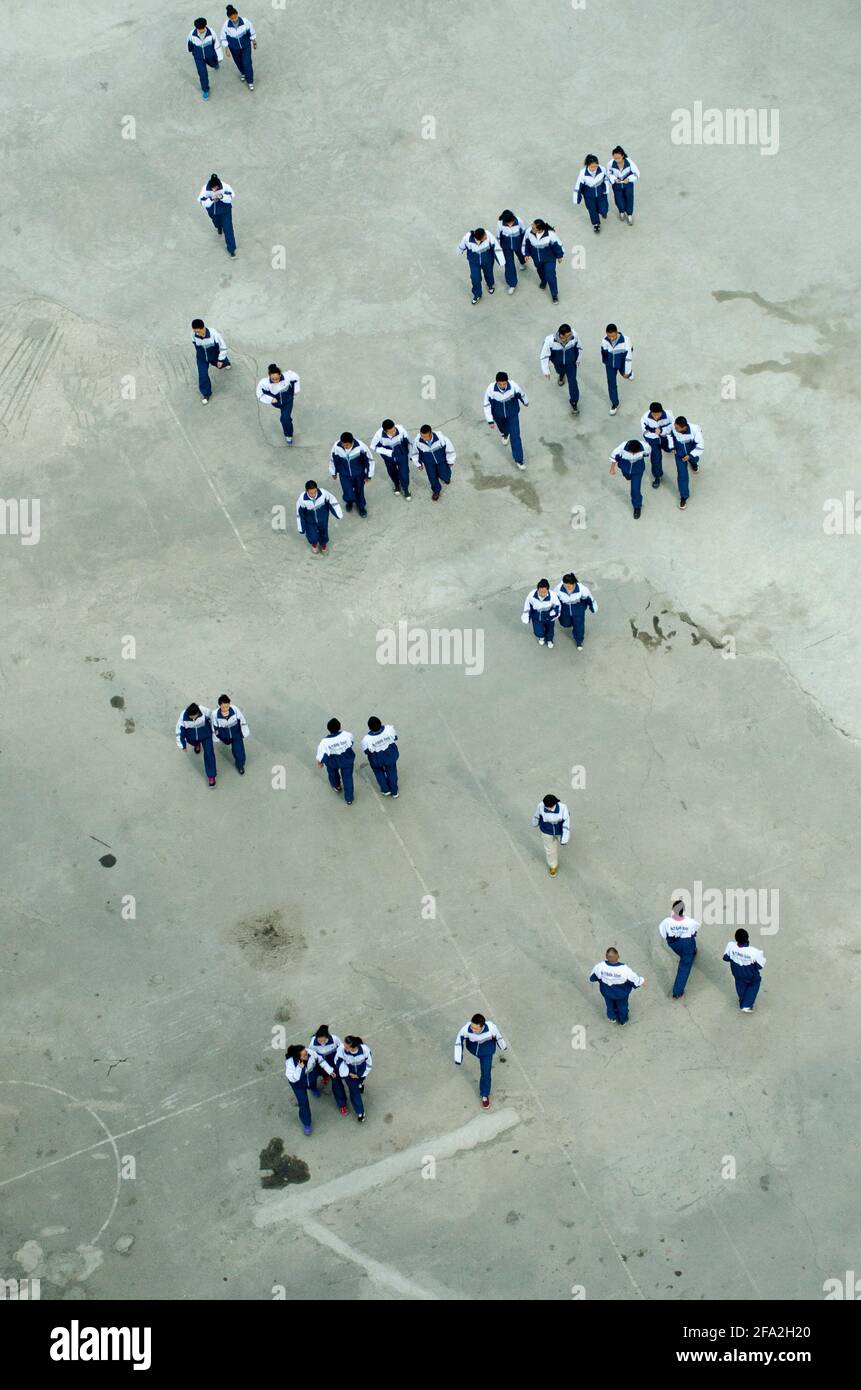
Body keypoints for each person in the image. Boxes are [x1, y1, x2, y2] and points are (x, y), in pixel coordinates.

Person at [454, 1014, 507, 1108]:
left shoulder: (491, 1028)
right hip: (473, 1049)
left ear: (482, 1026)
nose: (472, 1029)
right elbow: (458, 1042)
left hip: (487, 1052)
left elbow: (498, 1036)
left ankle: (484, 1095)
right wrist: (458, 1058)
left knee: (486, 1073)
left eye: (475, 1028)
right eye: (472, 1026)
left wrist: (503, 1046)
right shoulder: (466, 1029)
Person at [284, 1044, 334, 1136]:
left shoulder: (310, 1053)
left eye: (306, 1052)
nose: (307, 1054)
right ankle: (306, 1123)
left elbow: (320, 1059)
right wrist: (300, 1068)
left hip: (311, 1078)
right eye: (304, 1055)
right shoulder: (290, 1063)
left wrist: (330, 1070)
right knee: (304, 1104)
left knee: (312, 1084)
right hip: (298, 1085)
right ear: (298, 1057)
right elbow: (294, 1078)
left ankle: (313, 1088)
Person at [484, 372, 529, 470]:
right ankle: (504, 433)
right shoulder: (491, 390)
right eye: (500, 384)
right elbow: (486, 405)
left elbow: (521, 394)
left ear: (507, 382)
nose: (503, 386)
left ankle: (519, 460)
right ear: (497, 382)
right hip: (498, 415)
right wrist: (490, 420)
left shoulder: (513, 386)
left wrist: (526, 401)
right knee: (503, 428)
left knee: (515, 436)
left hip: (512, 414)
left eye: (504, 383)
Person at [589, 948, 645, 1024]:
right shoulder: (625, 970)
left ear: (606, 956)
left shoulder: (599, 967)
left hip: (607, 993)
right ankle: (623, 1021)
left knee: (610, 1006)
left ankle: (612, 1018)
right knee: (622, 1007)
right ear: (618, 956)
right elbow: (635, 981)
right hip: (621, 995)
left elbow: (592, 978)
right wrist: (642, 981)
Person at [658, 900, 700, 998]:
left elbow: (663, 934)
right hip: (687, 944)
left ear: (673, 909)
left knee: (683, 954)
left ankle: (690, 954)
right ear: (683, 910)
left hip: (674, 943)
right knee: (685, 965)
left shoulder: (666, 922)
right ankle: (677, 991)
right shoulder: (690, 921)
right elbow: (695, 931)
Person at [540, 323, 582, 414]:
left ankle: (574, 402)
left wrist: (578, 359)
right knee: (560, 371)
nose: (571, 336)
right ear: (561, 335)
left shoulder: (574, 336)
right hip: (558, 363)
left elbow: (579, 347)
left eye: (570, 334)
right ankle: (562, 374)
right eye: (568, 335)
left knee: (573, 382)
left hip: (571, 364)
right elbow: (544, 356)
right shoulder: (550, 341)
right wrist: (546, 370)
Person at [328, 433, 374, 516]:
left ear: (352, 442)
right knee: (347, 491)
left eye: (347, 445)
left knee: (359, 491)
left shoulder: (360, 446)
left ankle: (361, 507)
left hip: (359, 474)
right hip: (344, 474)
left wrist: (369, 475)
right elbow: (332, 460)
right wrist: (333, 472)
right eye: (343, 444)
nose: (344, 446)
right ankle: (349, 501)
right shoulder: (336, 447)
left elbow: (370, 460)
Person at [456, 227, 504, 304]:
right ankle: (477, 294)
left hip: (487, 259)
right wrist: (459, 252)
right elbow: (462, 246)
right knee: (475, 278)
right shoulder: (467, 239)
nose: (486, 236)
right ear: (479, 239)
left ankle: (490, 285)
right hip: (474, 262)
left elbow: (496, 247)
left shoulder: (488, 235)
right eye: (484, 236)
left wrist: (501, 261)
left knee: (489, 274)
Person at [307, 1027, 349, 1113]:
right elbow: (311, 1056)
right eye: (319, 1040)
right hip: (320, 1064)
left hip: (333, 1065)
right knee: (316, 1075)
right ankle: (324, 1078)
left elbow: (341, 1049)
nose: (322, 1043)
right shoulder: (312, 1044)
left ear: (327, 1036)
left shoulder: (334, 1039)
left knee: (337, 1084)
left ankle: (342, 1105)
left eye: (324, 1040)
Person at [723, 929, 766, 1012]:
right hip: (749, 973)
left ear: (736, 939)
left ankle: (742, 999)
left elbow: (726, 957)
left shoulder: (731, 945)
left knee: (740, 984)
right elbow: (760, 966)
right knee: (754, 984)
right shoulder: (754, 952)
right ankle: (747, 1005)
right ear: (747, 938)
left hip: (736, 971)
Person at [175, 702, 217, 786]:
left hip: (206, 735)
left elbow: (213, 718)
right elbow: (179, 731)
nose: (193, 718)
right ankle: (196, 744)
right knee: (193, 741)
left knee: (209, 754)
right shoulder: (183, 716)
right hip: (192, 737)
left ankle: (211, 776)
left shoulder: (204, 711)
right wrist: (183, 745)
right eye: (191, 716)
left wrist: (214, 730)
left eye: (195, 716)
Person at [256, 364, 300, 444]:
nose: (275, 381)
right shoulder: (264, 383)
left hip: (288, 401)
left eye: (277, 378)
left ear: (280, 374)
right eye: (273, 379)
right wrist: (270, 399)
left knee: (285, 419)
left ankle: (288, 435)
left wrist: (295, 390)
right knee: (285, 417)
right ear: (269, 376)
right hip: (276, 402)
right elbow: (259, 392)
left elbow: (296, 378)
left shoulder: (288, 376)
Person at [522, 219, 564, 302]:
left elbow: (558, 245)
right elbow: (525, 243)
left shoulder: (550, 235)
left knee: (550, 276)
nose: (531, 229)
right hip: (537, 259)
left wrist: (560, 256)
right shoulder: (529, 232)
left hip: (549, 259)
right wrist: (526, 254)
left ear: (540, 230)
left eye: (534, 228)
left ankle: (554, 294)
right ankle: (543, 281)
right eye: (532, 226)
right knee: (540, 272)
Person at [316, 718, 356, 804]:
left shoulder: (324, 742)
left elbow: (322, 755)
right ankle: (349, 799)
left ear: (328, 729)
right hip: (346, 759)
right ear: (339, 726)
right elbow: (351, 742)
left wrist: (320, 762)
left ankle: (337, 786)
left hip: (332, 761)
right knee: (347, 778)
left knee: (333, 774)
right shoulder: (347, 735)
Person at [370, 419, 412, 500]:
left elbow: (409, 442)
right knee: (392, 472)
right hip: (389, 458)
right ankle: (397, 485)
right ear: (385, 431)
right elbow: (373, 446)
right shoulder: (379, 435)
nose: (394, 432)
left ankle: (406, 490)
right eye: (391, 432)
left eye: (394, 429)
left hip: (402, 456)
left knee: (404, 473)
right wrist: (388, 452)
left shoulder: (401, 430)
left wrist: (410, 454)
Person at [296, 480, 342, 554]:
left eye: (315, 492)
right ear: (306, 491)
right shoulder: (302, 499)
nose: (313, 494)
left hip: (323, 519)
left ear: (317, 489)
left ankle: (323, 544)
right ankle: (314, 544)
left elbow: (332, 500)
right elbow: (299, 513)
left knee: (324, 533)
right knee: (312, 536)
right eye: (311, 493)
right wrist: (301, 527)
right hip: (310, 521)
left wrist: (338, 513)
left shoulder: (323, 493)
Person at [190, 319, 230, 403]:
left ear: (203, 328)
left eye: (198, 331)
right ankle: (206, 394)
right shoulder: (193, 334)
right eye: (195, 331)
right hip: (202, 358)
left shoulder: (213, 334)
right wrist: (201, 355)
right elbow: (195, 344)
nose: (197, 334)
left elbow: (223, 347)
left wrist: (220, 360)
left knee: (222, 364)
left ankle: (226, 362)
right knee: (202, 375)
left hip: (214, 356)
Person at [334, 1036, 373, 1122]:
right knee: (354, 1093)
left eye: (347, 1047)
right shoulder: (341, 1049)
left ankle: (360, 1084)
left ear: (354, 1047)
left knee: (360, 1082)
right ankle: (360, 1113)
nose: (344, 1047)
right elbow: (337, 1060)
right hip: (350, 1076)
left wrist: (359, 1075)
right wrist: (347, 1073)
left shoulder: (365, 1050)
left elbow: (369, 1065)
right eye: (344, 1044)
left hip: (361, 1074)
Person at [411, 425, 456, 500]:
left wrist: (450, 461)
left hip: (442, 461)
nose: (423, 438)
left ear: (431, 434)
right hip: (429, 463)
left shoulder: (441, 439)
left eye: (425, 437)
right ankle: (436, 490)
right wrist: (418, 464)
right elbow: (415, 453)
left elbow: (450, 449)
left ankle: (446, 478)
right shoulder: (417, 441)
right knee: (432, 477)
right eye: (422, 436)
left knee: (445, 474)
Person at [554, 573, 597, 650]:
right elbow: (553, 599)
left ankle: (579, 641)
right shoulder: (558, 589)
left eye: (570, 586)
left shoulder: (582, 589)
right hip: (565, 610)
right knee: (565, 624)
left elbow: (589, 598)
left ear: (574, 583)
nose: (568, 588)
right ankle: (571, 624)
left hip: (578, 610)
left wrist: (592, 607)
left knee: (579, 627)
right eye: (565, 585)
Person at [670, 416, 704, 511]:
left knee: (694, 459)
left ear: (684, 427)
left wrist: (690, 455)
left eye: (677, 428)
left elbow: (700, 446)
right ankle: (684, 496)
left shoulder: (695, 430)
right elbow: (669, 435)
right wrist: (672, 447)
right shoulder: (673, 427)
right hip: (679, 454)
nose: (675, 428)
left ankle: (694, 463)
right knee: (682, 474)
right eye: (675, 426)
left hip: (691, 450)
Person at [198, 175, 236, 257]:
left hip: (225, 211)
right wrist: (211, 199)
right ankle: (219, 227)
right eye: (212, 188)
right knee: (216, 223)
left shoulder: (225, 186)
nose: (214, 190)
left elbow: (231, 196)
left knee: (228, 228)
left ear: (219, 185)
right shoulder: (205, 189)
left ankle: (231, 249)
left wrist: (222, 197)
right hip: (213, 212)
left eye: (216, 187)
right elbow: (202, 202)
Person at [531, 794, 570, 876]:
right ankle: (553, 866)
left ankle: (561, 839)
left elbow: (566, 823)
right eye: (546, 806)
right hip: (546, 831)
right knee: (550, 850)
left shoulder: (563, 808)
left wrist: (564, 838)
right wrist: (534, 823)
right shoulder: (541, 806)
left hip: (559, 831)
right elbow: (537, 815)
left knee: (563, 841)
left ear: (555, 803)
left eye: (550, 807)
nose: (548, 808)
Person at [210, 695, 249, 774]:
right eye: (223, 707)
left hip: (236, 735)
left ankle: (240, 765)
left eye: (227, 707)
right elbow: (214, 727)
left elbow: (242, 720)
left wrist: (243, 732)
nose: (225, 709)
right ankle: (231, 745)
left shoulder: (234, 709)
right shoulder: (215, 714)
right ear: (219, 705)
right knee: (232, 747)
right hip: (224, 736)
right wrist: (217, 736)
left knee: (238, 750)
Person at [361, 717, 399, 797]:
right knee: (392, 772)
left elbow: (366, 751)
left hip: (376, 759)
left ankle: (385, 790)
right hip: (390, 755)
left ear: (369, 727)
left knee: (379, 773)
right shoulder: (389, 729)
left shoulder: (366, 739)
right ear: (380, 722)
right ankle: (394, 792)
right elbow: (395, 738)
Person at [609, 439, 647, 518]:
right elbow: (614, 457)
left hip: (638, 470)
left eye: (635, 453)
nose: (633, 454)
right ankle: (628, 476)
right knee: (627, 477)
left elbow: (647, 454)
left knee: (635, 489)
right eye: (631, 452)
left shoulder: (645, 447)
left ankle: (637, 507)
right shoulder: (621, 448)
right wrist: (612, 468)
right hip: (625, 468)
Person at [220, 6, 256, 89]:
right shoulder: (226, 26)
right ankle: (243, 73)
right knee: (238, 62)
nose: (234, 19)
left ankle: (250, 81)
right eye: (232, 18)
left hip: (246, 46)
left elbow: (252, 32)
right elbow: (223, 38)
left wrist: (254, 42)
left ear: (237, 14)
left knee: (247, 63)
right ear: (229, 18)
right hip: (234, 48)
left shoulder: (245, 22)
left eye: (235, 17)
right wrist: (227, 49)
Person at [601, 324, 633, 415]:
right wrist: (606, 362)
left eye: (613, 336)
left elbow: (629, 357)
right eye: (609, 336)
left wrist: (627, 370)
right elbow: (603, 351)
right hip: (610, 365)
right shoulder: (604, 340)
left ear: (617, 332)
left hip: (622, 362)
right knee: (611, 384)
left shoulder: (626, 340)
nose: (611, 338)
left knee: (626, 375)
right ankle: (615, 403)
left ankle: (630, 373)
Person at [187, 18, 223, 99]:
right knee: (202, 73)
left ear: (205, 26)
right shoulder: (192, 35)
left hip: (210, 55)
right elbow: (189, 43)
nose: (201, 31)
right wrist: (190, 50)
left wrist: (219, 57)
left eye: (202, 29)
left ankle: (215, 64)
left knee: (213, 63)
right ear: (196, 28)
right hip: (198, 57)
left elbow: (217, 45)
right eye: (199, 29)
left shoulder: (211, 33)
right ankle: (205, 90)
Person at [641, 402, 674, 487]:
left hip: (665, 437)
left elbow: (673, 427)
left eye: (658, 414)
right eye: (654, 415)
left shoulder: (669, 416)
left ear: (661, 411)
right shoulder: (645, 418)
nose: (656, 417)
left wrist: (662, 431)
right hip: (653, 440)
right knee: (656, 458)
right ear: (650, 412)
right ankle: (657, 476)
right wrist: (656, 433)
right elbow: (646, 432)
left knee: (670, 448)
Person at [573, 155, 610, 232]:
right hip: (589, 196)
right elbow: (578, 185)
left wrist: (605, 189)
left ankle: (603, 212)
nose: (594, 169)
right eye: (592, 167)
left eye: (596, 166)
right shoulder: (583, 173)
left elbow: (606, 179)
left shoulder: (602, 169)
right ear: (587, 165)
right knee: (592, 210)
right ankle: (596, 224)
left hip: (601, 194)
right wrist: (577, 198)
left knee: (604, 208)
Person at [522, 580, 561, 647]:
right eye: (540, 592)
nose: (542, 594)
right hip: (536, 616)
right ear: (537, 590)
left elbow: (557, 606)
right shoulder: (531, 595)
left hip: (549, 615)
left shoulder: (553, 595)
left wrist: (553, 615)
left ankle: (549, 640)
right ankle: (541, 637)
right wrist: (526, 616)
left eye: (544, 592)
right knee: (538, 631)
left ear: (548, 590)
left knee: (550, 629)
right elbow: (527, 605)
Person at [497, 209, 528, 293]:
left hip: (518, 244)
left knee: (521, 255)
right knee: (509, 264)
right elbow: (499, 235)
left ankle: (522, 262)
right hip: (506, 247)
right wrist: (499, 247)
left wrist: (525, 246)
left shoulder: (519, 221)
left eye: (511, 222)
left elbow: (524, 233)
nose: (509, 224)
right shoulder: (500, 223)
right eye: (507, 223)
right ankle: (512, 284)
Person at [607, 146, 640, 225]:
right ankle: (621, 211)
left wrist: (629, 179)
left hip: (628, 183)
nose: (617, 160)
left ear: (622, 156)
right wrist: (614, 179)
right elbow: (608, 174)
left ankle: (629, 215)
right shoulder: (610, 163)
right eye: (615, 158)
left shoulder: (629, 162)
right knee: (618, 199)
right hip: (617, 185)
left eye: (618, 158)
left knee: (629, 197)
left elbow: (637, 173)